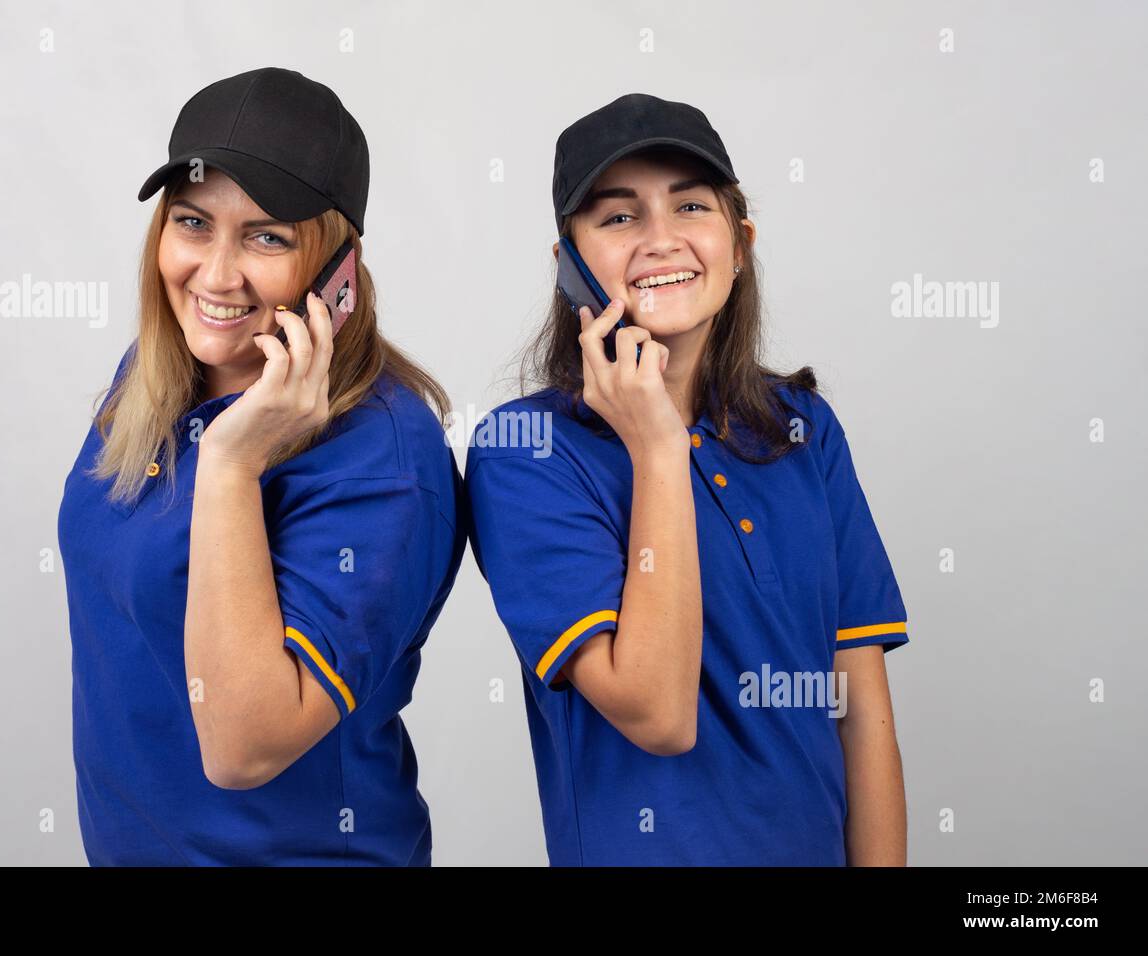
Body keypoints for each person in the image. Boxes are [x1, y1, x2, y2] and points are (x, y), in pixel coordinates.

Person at [466, 93, 911, 865]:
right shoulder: (524, 453)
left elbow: (860, 706)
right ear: (568, 266)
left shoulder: (803, 430)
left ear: (738, 245)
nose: (661, 241)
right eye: (618, 217)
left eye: (691, 207)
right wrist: (659, 449)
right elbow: (656, 714)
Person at [57, 68, 464, 865]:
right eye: (193, 223)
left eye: (267, 236)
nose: (216, 274)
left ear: (339, 267)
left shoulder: (384, 453)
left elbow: (243, 749)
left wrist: (232, 464)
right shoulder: (152, 374)